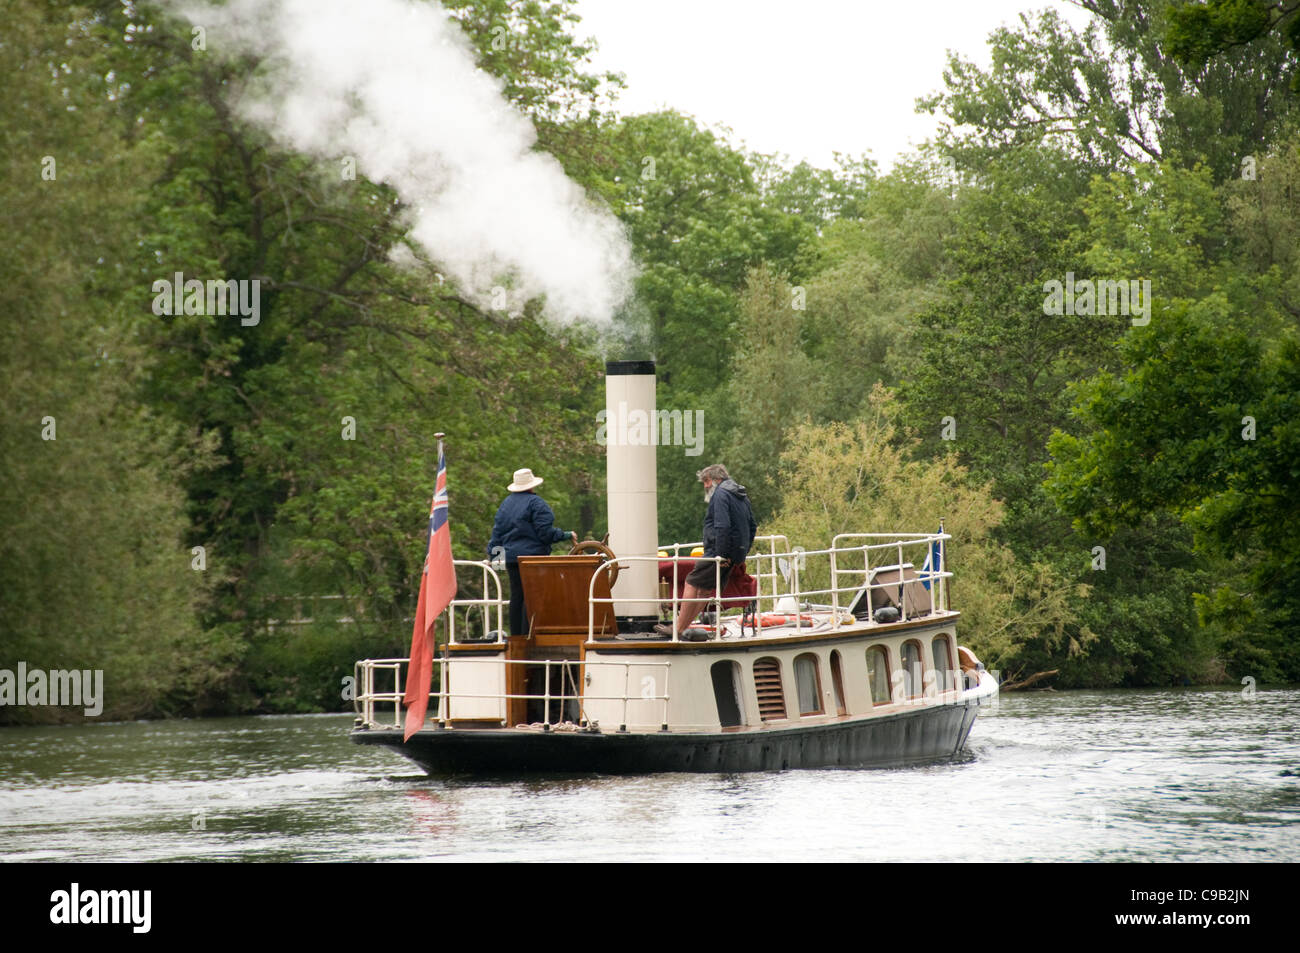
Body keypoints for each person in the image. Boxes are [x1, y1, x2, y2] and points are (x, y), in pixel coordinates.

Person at [656, 464, 757, 641]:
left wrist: (721, 555)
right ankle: (681, 627)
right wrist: (740, 554)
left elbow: (722, 526)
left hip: (718, 553)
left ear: (717, 479)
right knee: (704, 591)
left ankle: (678, 628)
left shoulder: (721, 495)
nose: (705, 485)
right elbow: (752, 526)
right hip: (733, 554)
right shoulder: (741, 495)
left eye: (707, 480)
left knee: (691, 582)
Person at [488, 468, 577, 635]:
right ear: (531, 485)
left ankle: (516, 638)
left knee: (517, 596)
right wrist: (566, 535)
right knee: (531, 597)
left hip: (511, 560)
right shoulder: (537, 503)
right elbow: (545, 533)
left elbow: (497, 535)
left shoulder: (505, 505)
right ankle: (528, 637)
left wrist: (496, 561)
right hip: (532, 560)